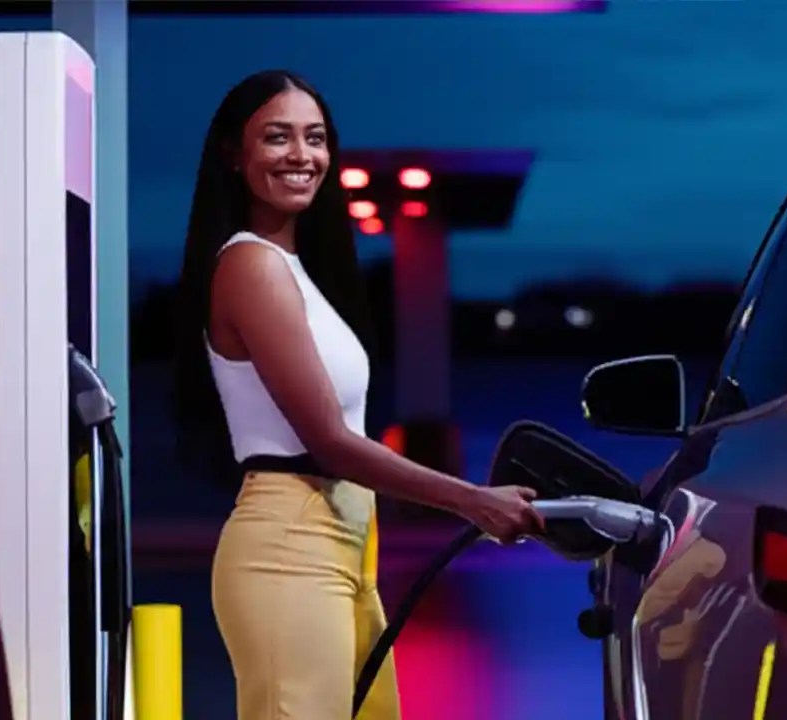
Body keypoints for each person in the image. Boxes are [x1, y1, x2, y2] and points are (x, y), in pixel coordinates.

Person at [171, 69, 546, 720]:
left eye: (314, 138)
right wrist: (473, 502)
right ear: (234, 154)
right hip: (289, 553)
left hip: (343, 547)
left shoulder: (295, 273)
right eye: (276, 137)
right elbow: (329, 442)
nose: (301, 155)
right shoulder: (249, 264)